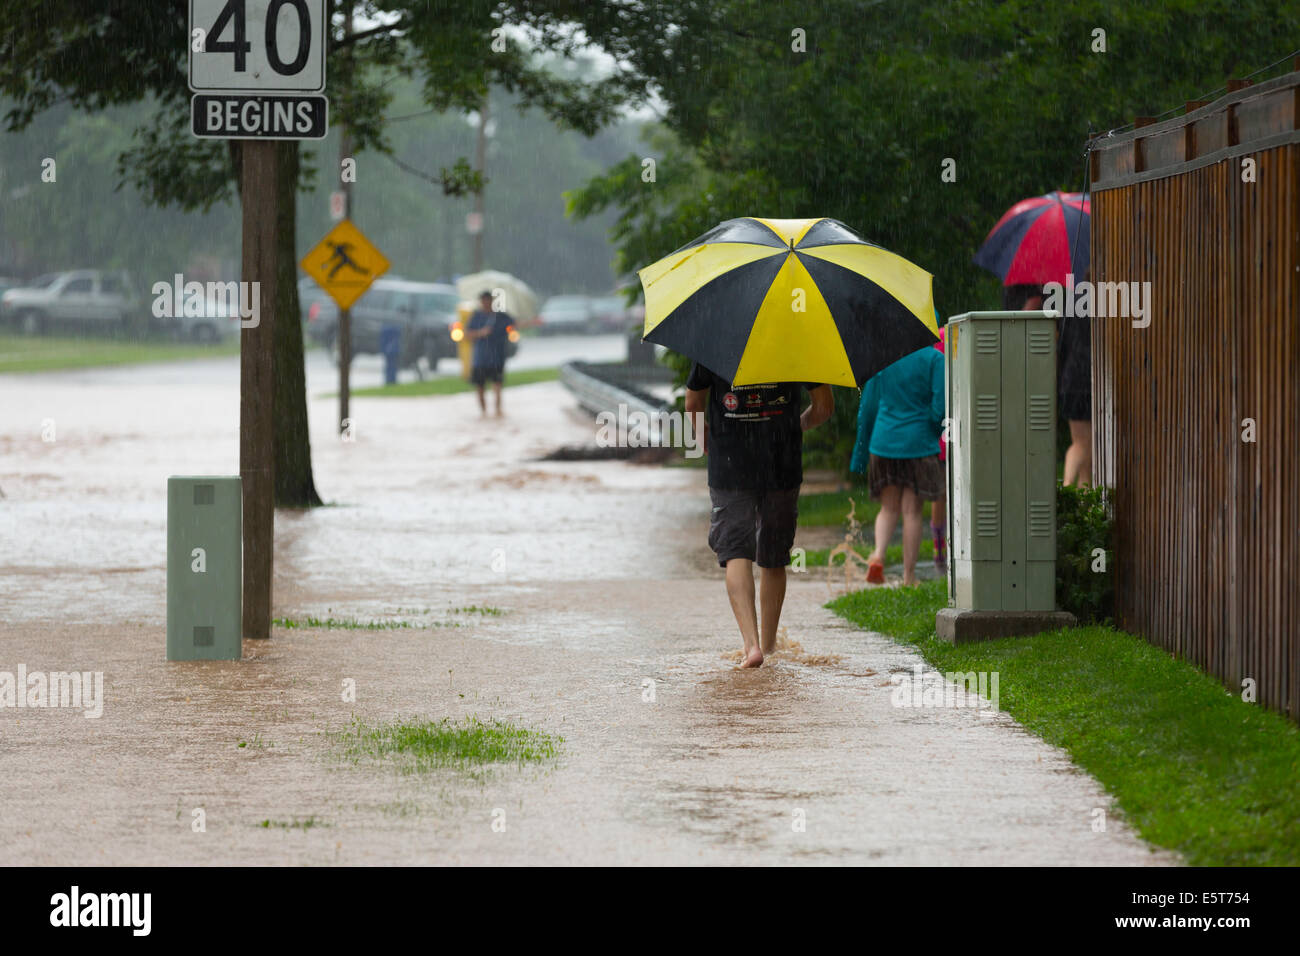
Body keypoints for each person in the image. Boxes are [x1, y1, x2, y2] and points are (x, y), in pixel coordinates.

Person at [685, 366, 834, 668]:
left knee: (736, 551)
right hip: (782, 464)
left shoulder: (714, 339)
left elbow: (692, 403)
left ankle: (751, 646)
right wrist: (796, 425)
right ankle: (769, 645)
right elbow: (824, 407)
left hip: (729, 465)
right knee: (774, 555)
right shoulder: (795, 342)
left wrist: (706, 442)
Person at [850, 344, 945, 587]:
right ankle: (909, 577)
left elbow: (869, 406)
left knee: (888, 508)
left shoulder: (884, 355)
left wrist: (863, 447)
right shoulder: (935, 358)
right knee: (912, 512)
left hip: (884, 442)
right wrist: (932, 430)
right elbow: (940, 407)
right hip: (918, 443)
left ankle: (879, 554)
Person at [465, 290, 514, 417]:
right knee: (480, 387)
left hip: (497, 358)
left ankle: (498, 411)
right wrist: (481, 333)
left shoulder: (501, 316)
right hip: (480, 359)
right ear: (481, 302)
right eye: (483, 300)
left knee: (497, 385)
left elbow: (513, 326)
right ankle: (483, 412)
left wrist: (532, 322)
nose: (486, 303)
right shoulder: (476, 316)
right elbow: (467, 334)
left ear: (492, 301)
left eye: (488, 300)